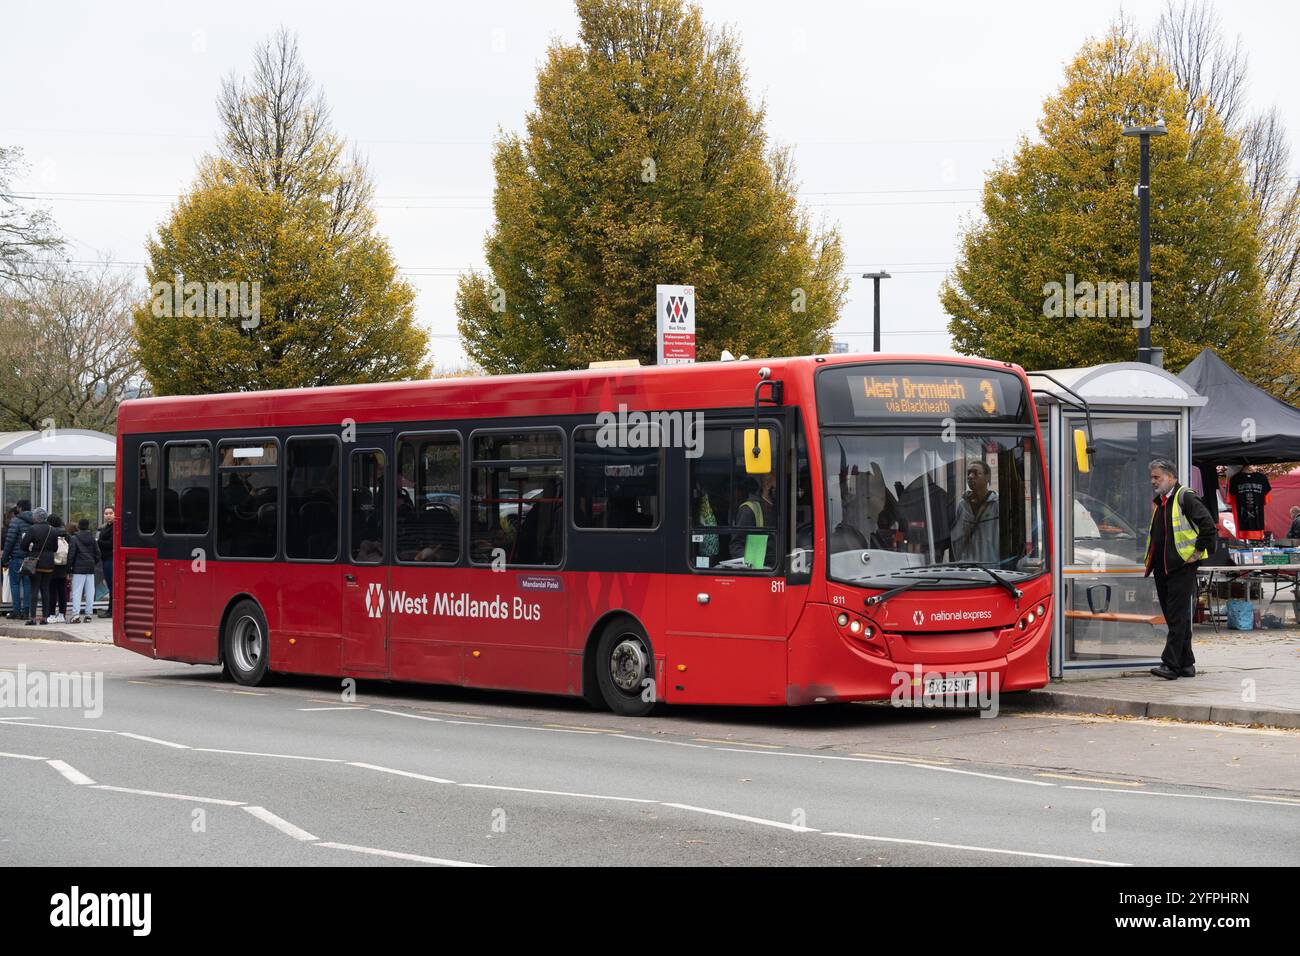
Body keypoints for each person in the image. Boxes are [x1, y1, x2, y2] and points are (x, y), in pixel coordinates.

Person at [1145, 458, 1218, 680]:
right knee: (1176, 617)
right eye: (1152, 477)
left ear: (1170, 477)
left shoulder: (1185, 496)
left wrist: (1196, 554)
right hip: (1163, 568)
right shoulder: (1161, 501)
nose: (1153, 481)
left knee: (1177, 617)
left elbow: (1208, 526)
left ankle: (1170, 665)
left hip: (1180, 567)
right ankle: (1187, 664)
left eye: (1156, 477)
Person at [952, 460, 1000, 564]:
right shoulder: (962, 505)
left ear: (987, 477)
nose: (970, 476)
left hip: (992, 569)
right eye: (968, 473)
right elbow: (956, 538)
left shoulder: (996, 504)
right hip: (966, 567)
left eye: (975, 473)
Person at [19, 508, 57, 626]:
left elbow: (23, 546)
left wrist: (31, 548)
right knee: (45, 589)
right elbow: (55, 548)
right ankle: (45, 617)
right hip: (49, 563)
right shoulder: (53, 530)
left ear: (35, 517)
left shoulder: (32, 529)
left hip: (35, 562)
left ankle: (33, 618)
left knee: (34, 589)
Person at [1, 499, 34, 620]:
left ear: (19, 508)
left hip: (16, 558)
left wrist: (4, 558)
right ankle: (26, 611)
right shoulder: (35, 521)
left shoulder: (15, 522)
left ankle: (16, 611)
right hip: (30, 558)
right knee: (27, 585)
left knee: (14, 584)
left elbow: (9, 541)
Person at [68, 517, 100, 623]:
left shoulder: (74, 538)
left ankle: (76, 615)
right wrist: (92, 562)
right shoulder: (92, 538)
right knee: (90, 592)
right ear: (88, 526)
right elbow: (97, 554)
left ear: (78, 526)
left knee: (77, 592)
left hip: (78, 568)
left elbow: (71, 555)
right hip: (90, 568)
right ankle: (88, 615)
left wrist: (69, 568)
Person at [46, 515, 71, 624]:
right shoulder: (66, 534)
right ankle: (62, 614)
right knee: (62, 591)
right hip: (63, 567)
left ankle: (51, 614)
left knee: (52, 591)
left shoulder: (50, 534)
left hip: (52, 566)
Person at [97, 507, 115, 618]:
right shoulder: (106, 527)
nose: (108, 515)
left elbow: (111, 543)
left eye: (110, 513)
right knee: (110, 585)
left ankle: (111, 610)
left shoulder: (115, 527)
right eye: (106, 513)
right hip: (106, 558)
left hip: (110, 559)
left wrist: (99, 542)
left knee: (112, 585)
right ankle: (111, 609)